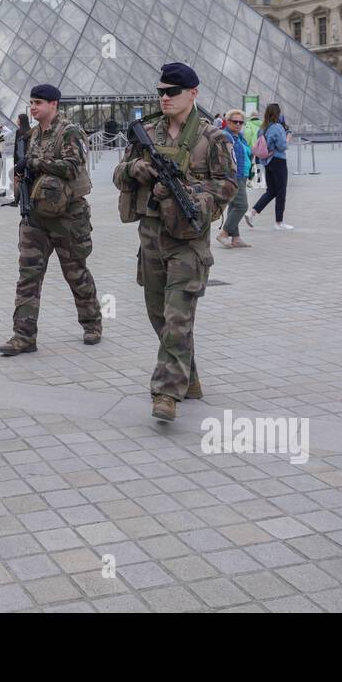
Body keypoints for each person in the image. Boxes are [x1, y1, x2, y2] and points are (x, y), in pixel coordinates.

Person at [113, 62, 236, 421]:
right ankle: (189, 377)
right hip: (150, 235)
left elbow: (228, 184)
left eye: (172, 92)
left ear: (193, 94)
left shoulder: (213, 138)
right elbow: (119, 173)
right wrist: (135, 170)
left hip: (187, 239)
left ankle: (166, 393)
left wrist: (190, 192)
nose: (164, 98)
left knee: (177, 316)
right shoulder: (147, 132)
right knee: (159, 316)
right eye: (161, 92)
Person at [0, 83, 101, 356]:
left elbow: (71, 166)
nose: (33, 107)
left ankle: (92, 324)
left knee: (76, 273)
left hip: (68, 216)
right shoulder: (32, 135)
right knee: (28, 276)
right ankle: (23, 335)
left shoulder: (70, 131)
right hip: (35, 215)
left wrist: (35, 163)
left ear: (54, 104)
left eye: (38, 103)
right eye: (31, 102)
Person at [246, 103, 293, 230]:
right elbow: (282, 146)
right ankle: (279, 222)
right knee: (281, 191)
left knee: (271, 191)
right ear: (277, 114)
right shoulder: (277, 127)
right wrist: (288, 138)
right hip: (278, 161)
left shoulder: (263, 128)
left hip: (267, 162)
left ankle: (252, 212)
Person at [215, 108, 252, 249]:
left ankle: (235, 238)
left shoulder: (240, 137)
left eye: (241, 122)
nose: (238, 124)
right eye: (234, 121)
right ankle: (223, 234)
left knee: (234, 206)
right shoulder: (226, 136)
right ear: (227, 122)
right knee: (242, 206)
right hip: (233, 176)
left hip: (242, 174)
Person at [2, 113, 32, 206]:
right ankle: (25, 198)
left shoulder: (19, 131)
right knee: (26, 179)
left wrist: (15, 162)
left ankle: (16, 200)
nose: (16, 121)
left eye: (18, 119)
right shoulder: (30, 131)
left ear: (21, 120)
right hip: (27, 159)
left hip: (19, 159)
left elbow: (17, 148)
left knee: (17, 179)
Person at [243, 110, 263, 188]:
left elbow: (247, 135)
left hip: (251, 146)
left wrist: (246, 145)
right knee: (259, 163)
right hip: (260, 146)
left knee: (249, 162)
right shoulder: (262, 124)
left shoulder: (249, 123)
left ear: (251, 116)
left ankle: (250, 179)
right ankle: (259, 180)